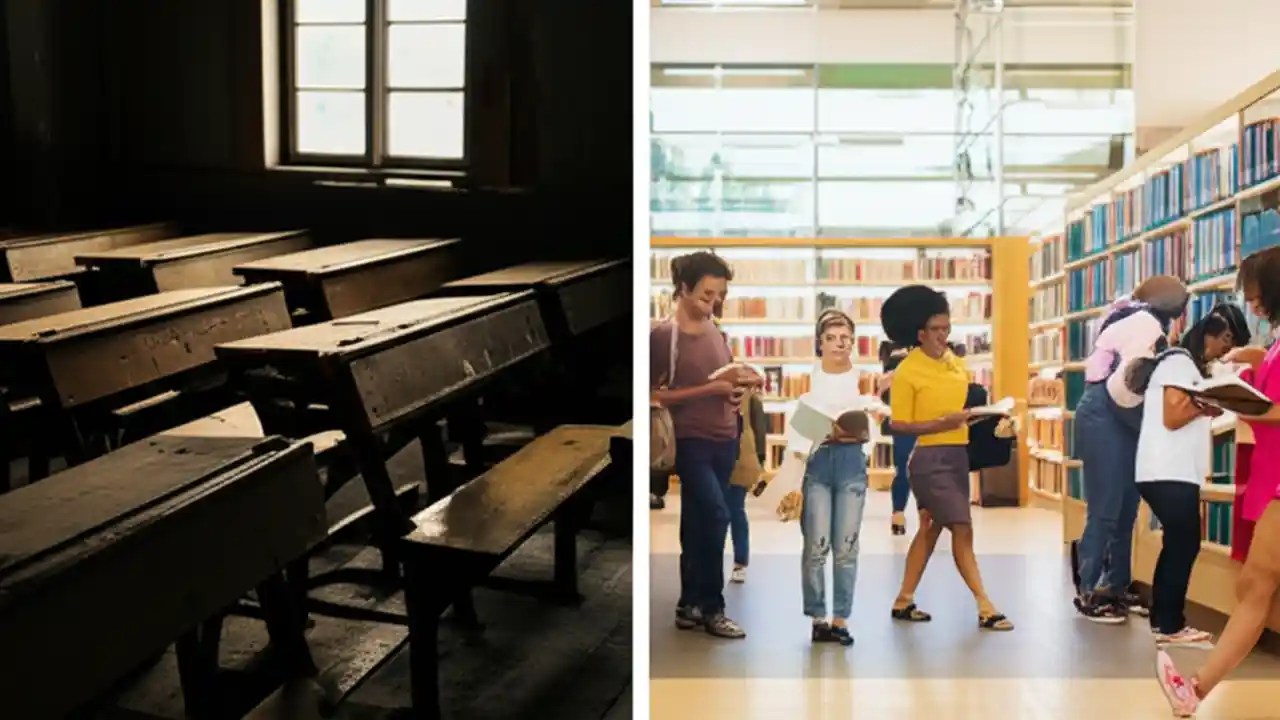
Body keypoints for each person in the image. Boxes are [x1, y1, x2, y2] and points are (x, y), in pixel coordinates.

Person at [1157, 248, 1280, 715]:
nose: (1251, 304)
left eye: (1255, 295)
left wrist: (1254, 407)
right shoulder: (1276, 340)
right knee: (1256, 586)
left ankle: (1197, 688)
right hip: (1272, 473)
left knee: (1256, 585)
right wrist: (1252, 365)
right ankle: (1197, 689)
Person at [882, 285, 1012, 632]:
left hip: (957, 456)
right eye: (936, 330)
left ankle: (904, 599)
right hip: (929, 458)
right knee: (962, 528)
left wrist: (989, 417)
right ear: (919, 334)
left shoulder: (957, 364)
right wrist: (941, 422)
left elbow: (961, 411)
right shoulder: (908, 371)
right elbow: (897, 424)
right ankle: (985, 605)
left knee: (929, 528)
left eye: (946, 327)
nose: (943, 335)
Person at [649, 251, 760, 639]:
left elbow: (722, 376)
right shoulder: (664, 336)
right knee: (716, 515)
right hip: (690, 439)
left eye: (719, 295)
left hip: (725, 437)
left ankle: (689, 603)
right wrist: (712, 388)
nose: (713, 304)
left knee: (697, 520)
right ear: (683, 289)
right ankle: (713, 607)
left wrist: (740, 384)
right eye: (706, 295)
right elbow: (652, 396)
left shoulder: (715, 330)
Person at [1128, 304, 1248, 646]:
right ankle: (1170, 625)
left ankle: (1164, 622)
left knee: (1178, 544)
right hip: (1167, 469)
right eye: (1226, 339)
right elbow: (1172, 415)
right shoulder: (1179, 362)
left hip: (1171, 470)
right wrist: (1206, 405)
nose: (1227, 347)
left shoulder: (1188, 366)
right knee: (1184, 543)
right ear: (1209, 333)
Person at [1072, 275, 1189, 624]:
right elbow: (1124, 392)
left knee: (1124, 510)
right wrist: (1159, 427)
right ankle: (1089, 591)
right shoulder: (1148, 327)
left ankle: (1115, 586)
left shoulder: (1131, 316)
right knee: (1107, 509)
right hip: (1108, 414)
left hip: (1112, 415)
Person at [782, 309, 876, 645]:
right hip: (816, 465)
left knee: (847, 547)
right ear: (819, 344)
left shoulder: (863, 379)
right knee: (815, 546)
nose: (840, 343)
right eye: (832, 338)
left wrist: (847, 431)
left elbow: (869, 431)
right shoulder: (809, 381)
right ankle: (817, 617)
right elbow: (799, 437)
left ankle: (841, 618)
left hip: (852, 465)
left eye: (846, 338)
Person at [878, 342, 914, 535]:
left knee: (930, 468)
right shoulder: (895, 354)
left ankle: (929, 514)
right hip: (903, 418)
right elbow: (883, 389)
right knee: (904, 467)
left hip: (928, 415)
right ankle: (898, 513)